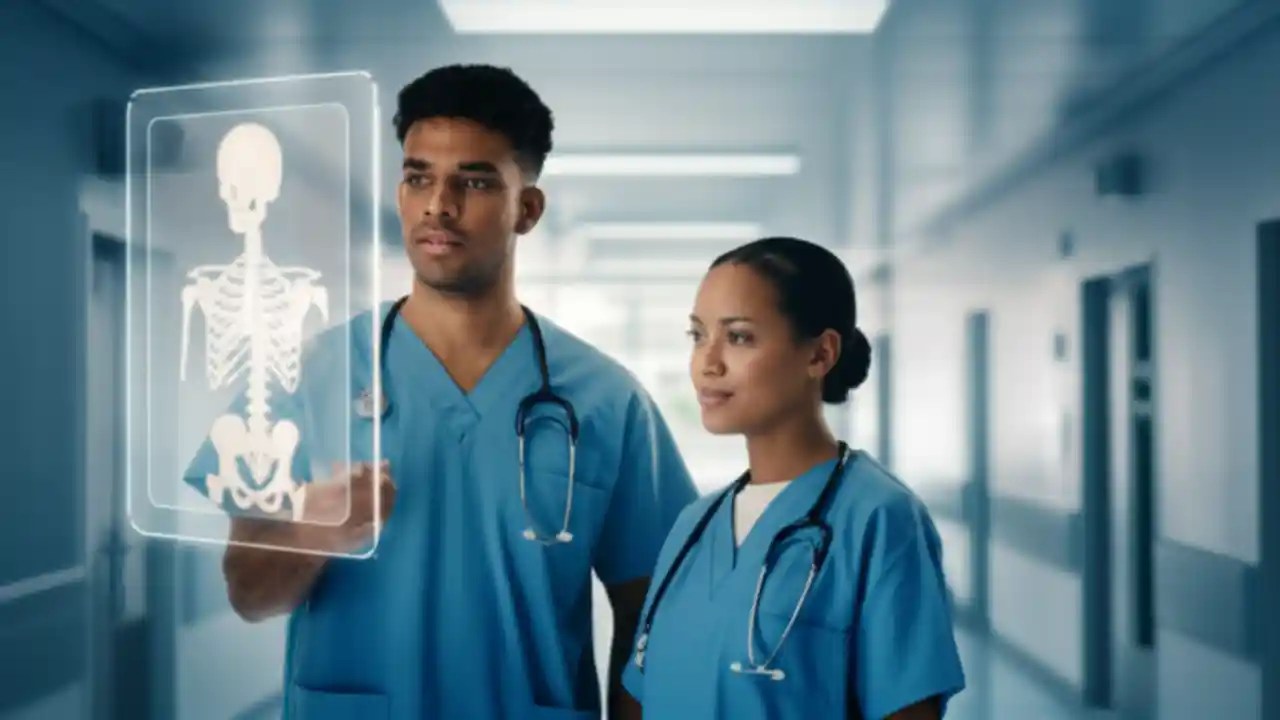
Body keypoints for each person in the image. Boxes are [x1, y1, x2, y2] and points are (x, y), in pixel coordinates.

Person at [183, 64, 697, 719]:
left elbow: (649, 611)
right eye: (418, 177)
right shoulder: (311, 372)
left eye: (474, 182)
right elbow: (248, 595)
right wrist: (316, 531)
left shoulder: (606, 401)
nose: (438, 205)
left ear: (527, 210)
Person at [620, 237, 965, 719]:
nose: (708, 363)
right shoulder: (693, 526)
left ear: (820, 355)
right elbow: (640, 692)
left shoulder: (879, 518)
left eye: (739, 337)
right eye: (698, 335)